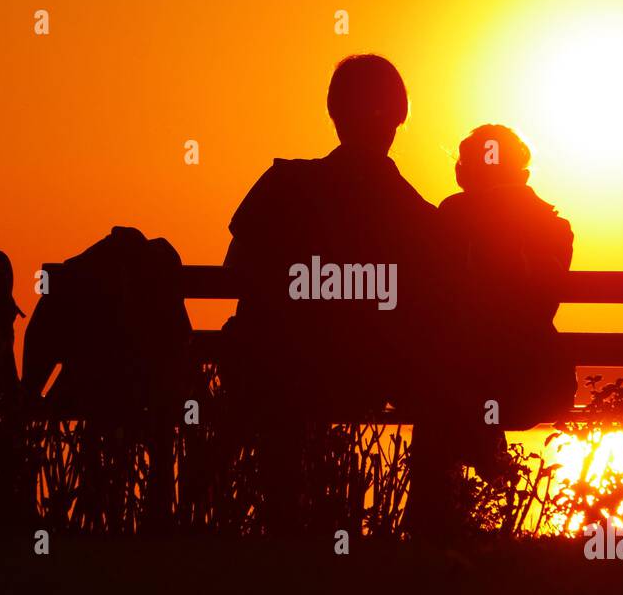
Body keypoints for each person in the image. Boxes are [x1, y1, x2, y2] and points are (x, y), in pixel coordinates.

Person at [222, 54, 436, 530]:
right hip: (369, 376)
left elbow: (234, 269)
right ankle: (425, 533)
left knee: (278, 388)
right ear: (400, 118)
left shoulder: (283, 184)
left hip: (277, 371)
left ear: (335, 115)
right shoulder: (414, 212)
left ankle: (278, 531)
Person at [406, 124, 576, 539]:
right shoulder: (555, 228)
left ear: (467, 172)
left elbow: (428, 303)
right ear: (522, 170)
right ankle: (469, 491)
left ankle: (434, 529)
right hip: (535, 384)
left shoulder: (451, 218)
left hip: (459, 385)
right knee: (452, 385)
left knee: (441, 392)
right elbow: (539, 306)